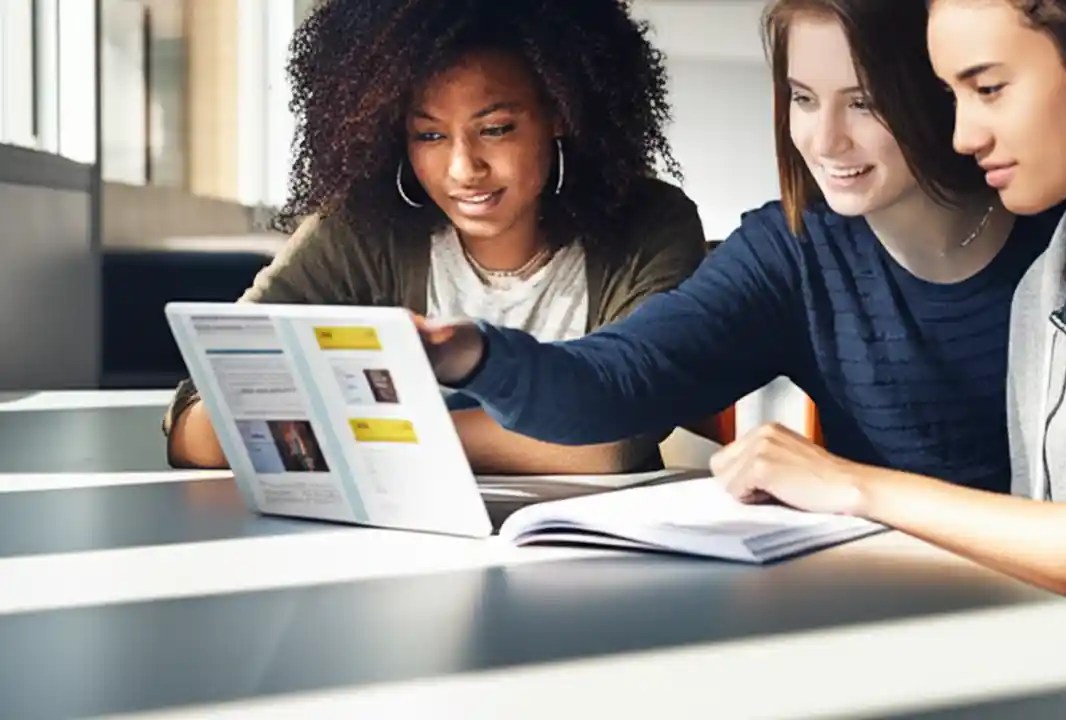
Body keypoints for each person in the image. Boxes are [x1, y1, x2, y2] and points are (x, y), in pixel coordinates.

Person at [717, 0, 1066, 665]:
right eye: (953, 94)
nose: (961, 135)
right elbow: (1043, 572)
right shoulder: (1043, 291)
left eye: (989, 89)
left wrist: (857, 486)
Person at [419, 0, 1063, 499]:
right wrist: (470, 354)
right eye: (804, 100)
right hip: (883, 593)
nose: (826, 140)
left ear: (935, 90)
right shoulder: (791, 255)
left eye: (863, 103)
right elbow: (615, 380)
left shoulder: (1064, 230)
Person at [162, 0, 707, 474]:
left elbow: (615, 436)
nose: (463, 167)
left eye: (495, 129)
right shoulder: (361, 230)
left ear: (560, 112)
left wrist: (349, 435)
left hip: (592, 562)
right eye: (429, 135)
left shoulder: (650, 225)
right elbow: (198, 420)